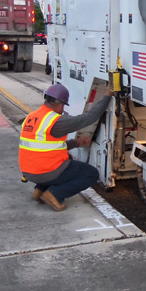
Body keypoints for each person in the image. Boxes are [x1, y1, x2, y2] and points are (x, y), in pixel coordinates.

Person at [19, 83, 113, 211]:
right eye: (63, 106)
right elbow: (90, 117)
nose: (62, 110)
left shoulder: (31, 117)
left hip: (29, 172)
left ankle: (39, 190)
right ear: (60, 105)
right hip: (44, 172)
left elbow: (46, 145)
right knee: (91, 174)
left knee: (66, 159)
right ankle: (55, 194)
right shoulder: (57, 121)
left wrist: (76, 142)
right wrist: (108, 95)